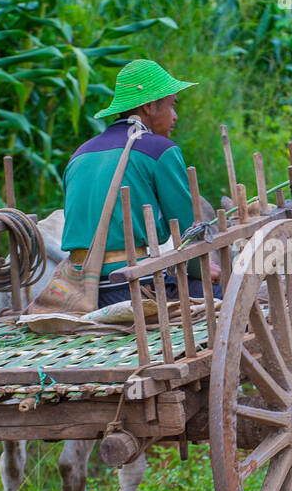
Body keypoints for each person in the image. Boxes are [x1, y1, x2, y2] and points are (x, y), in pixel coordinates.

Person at [59, 59, 220, 307]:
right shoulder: (159, 150)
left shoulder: (79, 154)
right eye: (171, 105)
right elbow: (189, 230)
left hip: (78, 288)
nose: (174, 117)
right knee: (225, 291)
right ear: (149, 106)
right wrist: (203, 270)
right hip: (132, 286)